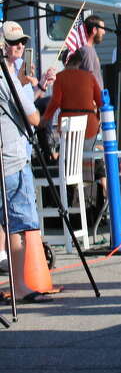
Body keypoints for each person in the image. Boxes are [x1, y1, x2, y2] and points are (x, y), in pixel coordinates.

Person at [0, 23, 47, 303]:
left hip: (6, 156)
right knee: (18, 226)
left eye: (21, 42)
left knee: (7, 225)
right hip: (12, 159)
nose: (18, 47)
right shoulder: (9, 79)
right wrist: (27, 85)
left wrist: (31, 85)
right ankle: (19, 287)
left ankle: (17, 285)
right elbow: (34, 118)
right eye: (13, 42)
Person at [40, 49, 102, 141]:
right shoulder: (90, 77)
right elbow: (100, 102)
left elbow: (55, 102)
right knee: (87, 154)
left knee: (69, 152)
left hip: (68, 128)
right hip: (90, 127)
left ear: (64, 62)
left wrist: (44, 119)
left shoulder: (60, 77)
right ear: (80, 61)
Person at [78, 15, 106, 88]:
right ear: (94, 30)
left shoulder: (90, 49)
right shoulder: (87, 51)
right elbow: (88, 79)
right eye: (102, 29)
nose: (104, 32)